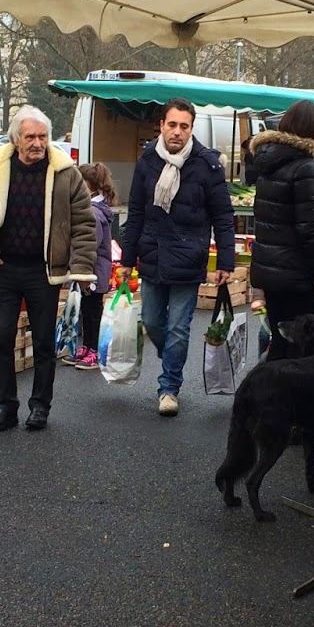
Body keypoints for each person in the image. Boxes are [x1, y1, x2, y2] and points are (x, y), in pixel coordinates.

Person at [0, 105, 97, 433]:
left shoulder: (66, 173)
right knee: (1, 337)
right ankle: (4, 407)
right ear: (15, 139)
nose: (37, 143)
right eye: (30, 137)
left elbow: (83, 222)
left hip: (44, 271)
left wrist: (81, 266)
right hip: (3, 269)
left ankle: (40, 407)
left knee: (44, 343)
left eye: (42, 136)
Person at [119, 98, 236, 417]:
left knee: (178, 328)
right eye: (172, 124)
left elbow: (223, 216)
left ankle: (169, 387)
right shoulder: (147, 161)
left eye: (184, 126)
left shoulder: (207, 165)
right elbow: (136, 212)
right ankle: (171, 356)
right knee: (153, 321)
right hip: (152, 254)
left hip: (188, 256)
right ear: (162, 125)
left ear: (191, 129)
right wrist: (127, 259)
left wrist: (226, 261)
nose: (177, 132)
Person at [248, 100, 314, 359]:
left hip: (271, 270)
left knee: (280, 339)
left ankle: (265, 383)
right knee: (298, 346)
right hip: (295, 273)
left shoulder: (269, 163)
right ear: (310, 128)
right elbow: (308, 230)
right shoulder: (306, 167)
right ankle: (273, 384)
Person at [67, 162, 118, 370]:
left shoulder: (93, 214)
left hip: (93, 272)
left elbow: (90, 245)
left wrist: (79, 267)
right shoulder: (93, 209)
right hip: (90, 271)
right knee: (86, 310)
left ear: (90, 187)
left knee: (93, 312)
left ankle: (95, 351)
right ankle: (87, 346)